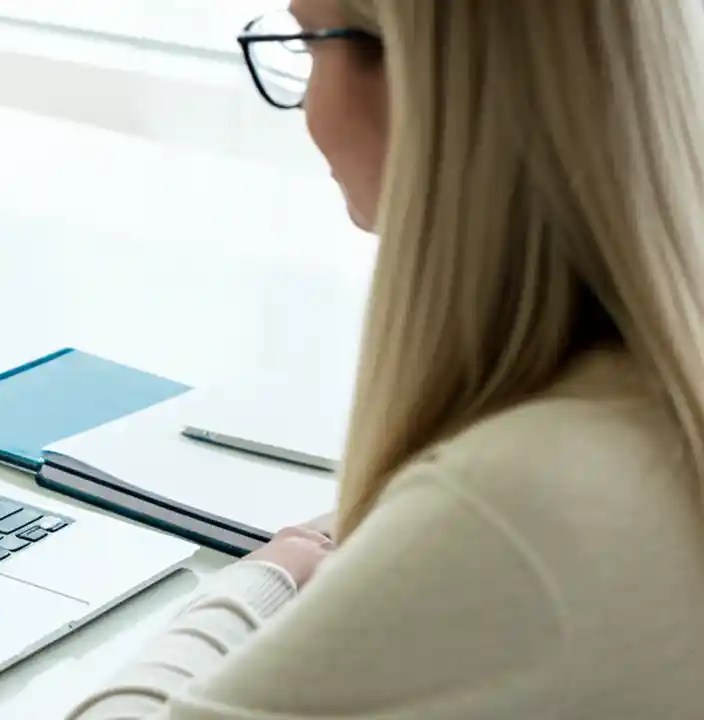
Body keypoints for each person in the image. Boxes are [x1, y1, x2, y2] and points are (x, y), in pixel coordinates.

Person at [66, 0, 704, 717]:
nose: (305, 107)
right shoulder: (637, 410)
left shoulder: (508, 507)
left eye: (308, 41)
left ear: (422, 75)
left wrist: (266, 574)